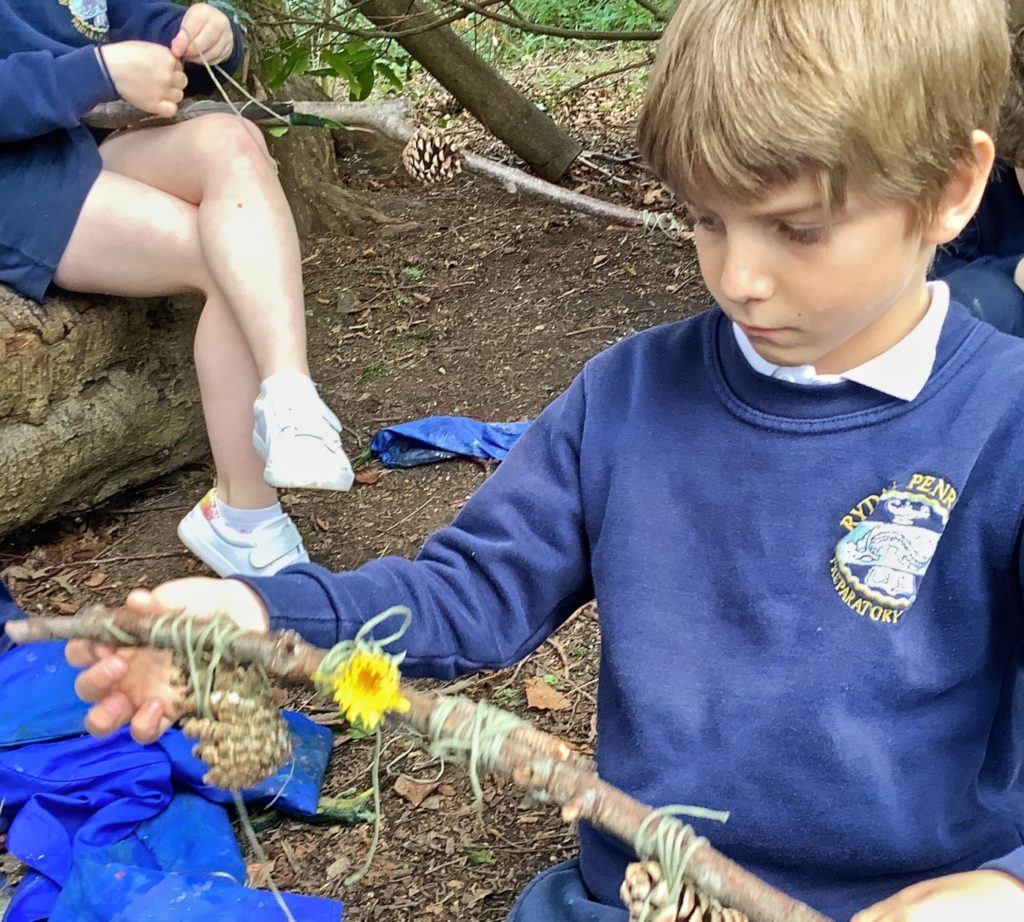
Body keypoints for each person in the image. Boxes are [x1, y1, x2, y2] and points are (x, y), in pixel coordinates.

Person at [61, 0, 1024, 919]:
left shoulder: (1003, 425)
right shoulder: (632, 398)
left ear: (951, 190)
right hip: (642, 894)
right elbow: (468, 592)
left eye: (798, 229)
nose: (739, 278)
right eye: (706, 219)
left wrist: (1005, 889)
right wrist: (261, 609)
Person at [0, 0, 355, 578]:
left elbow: (152, 28)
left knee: (236, 141)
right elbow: (96, 69)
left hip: (89, 141)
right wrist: (96, 72)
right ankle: (246, 518)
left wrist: (211, 34)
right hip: (16, 182)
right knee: (232, 261)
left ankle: (291, 397)